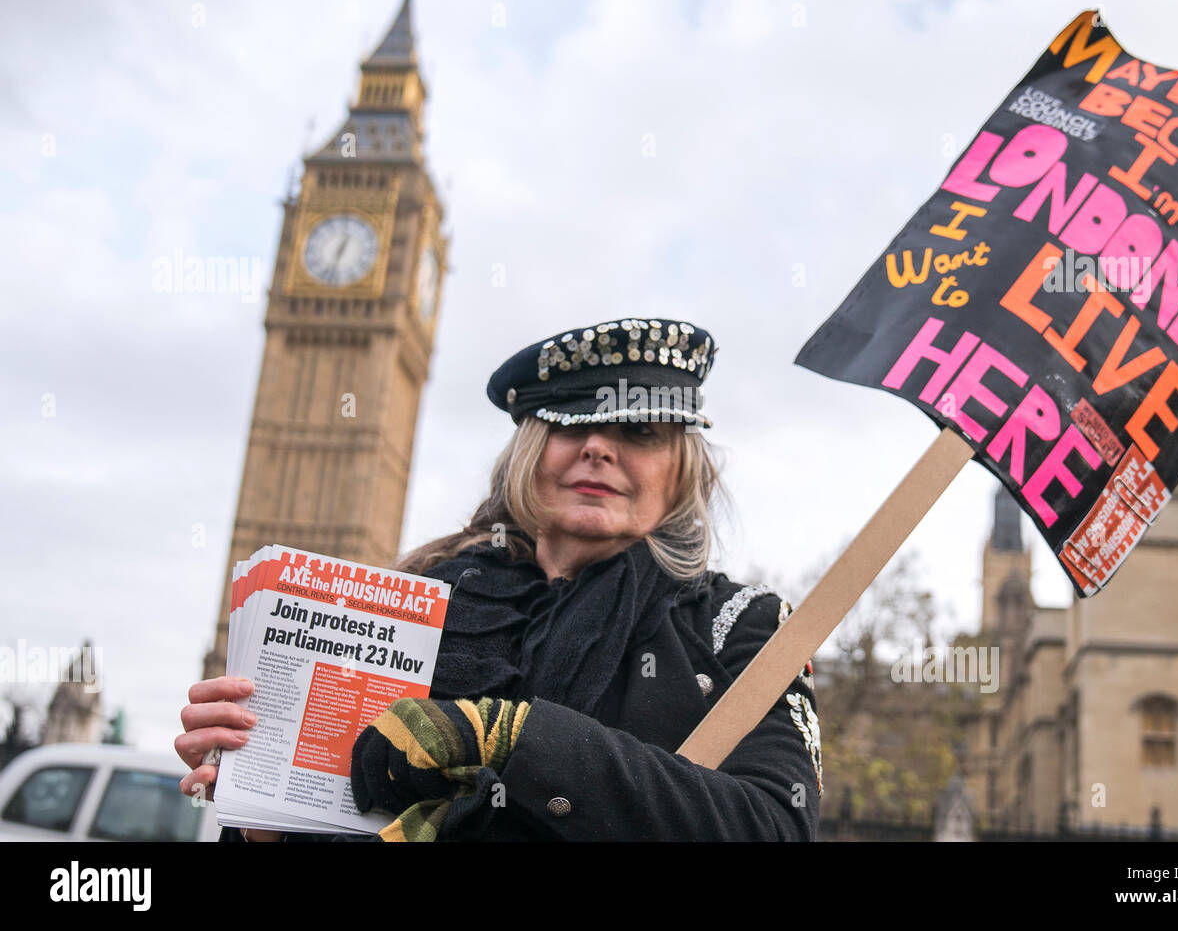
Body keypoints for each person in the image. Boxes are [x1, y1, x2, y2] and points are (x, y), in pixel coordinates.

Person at [176, 317, 822, 841]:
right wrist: (260, 803)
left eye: (639, 430)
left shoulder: (742, 625)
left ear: (681, 470)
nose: (597, 447)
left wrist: (514, 737)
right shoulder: (408, 601)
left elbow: (772, 825)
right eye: (570, 424)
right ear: (527, 450)